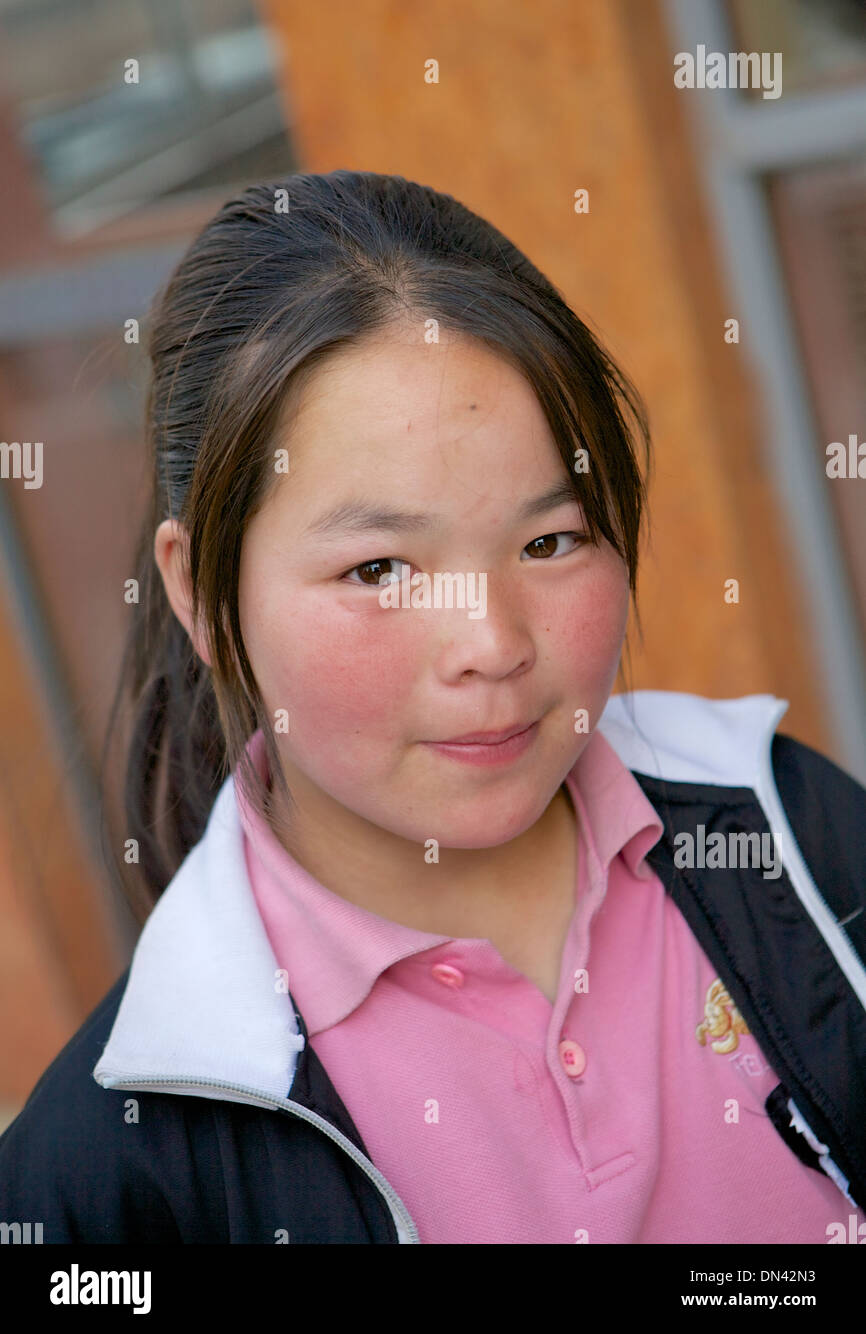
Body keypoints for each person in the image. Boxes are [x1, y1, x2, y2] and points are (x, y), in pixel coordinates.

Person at [1, 170, 864, 1244]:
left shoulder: (794, 832)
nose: (492, 644)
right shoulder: (113, 1172)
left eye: (547, 542)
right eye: (378, 569)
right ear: (197, 592)